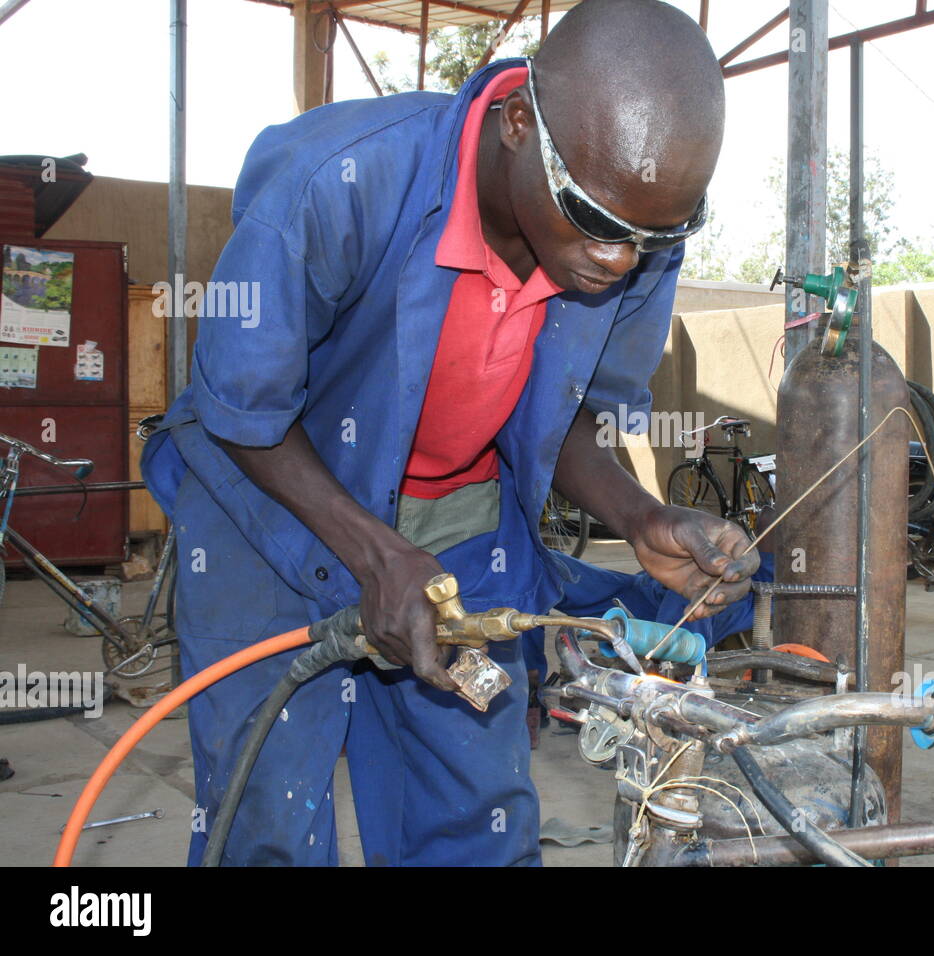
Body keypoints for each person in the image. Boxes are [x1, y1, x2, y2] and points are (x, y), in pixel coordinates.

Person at [142, 0, 757, 866]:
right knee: (267, 811)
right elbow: (244, 409)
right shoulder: (342, 179)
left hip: (460, 514)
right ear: (517, 126)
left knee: (476, 808)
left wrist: (640, 516)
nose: (621, 260)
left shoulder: (633, 223)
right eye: (598, 221)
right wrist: (376, 555)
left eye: (657, 234)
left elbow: (564, 414)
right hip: (269, 507)